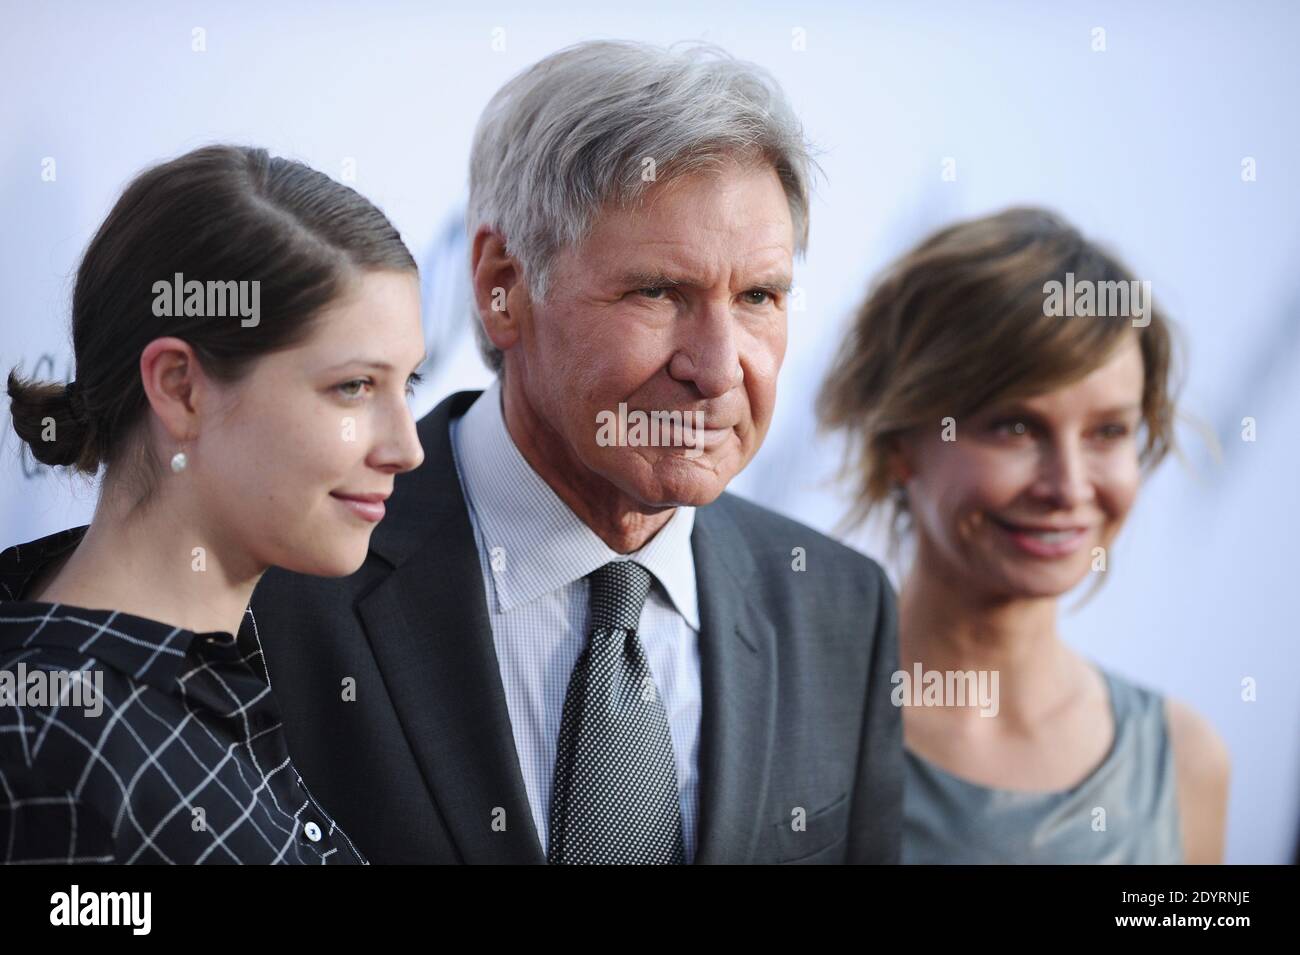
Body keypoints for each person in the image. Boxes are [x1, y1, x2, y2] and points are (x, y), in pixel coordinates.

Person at [242, 40, 902, 864]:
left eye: (760, 296)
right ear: (502, 287)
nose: (719, 367)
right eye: (658, 292)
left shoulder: (843, 610)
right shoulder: (279, 591)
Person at [1, 144, 426, 864]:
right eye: (354, 386)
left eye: (407, 385)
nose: (406, 448)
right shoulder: (55, 750)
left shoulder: (204, 668)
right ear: (180, 388)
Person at [817, 207, 1230, 863]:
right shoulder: (791, 729)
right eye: (1015, 427)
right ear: (900, 442)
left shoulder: (1183, 758)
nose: (1068, 486)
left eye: (1109, 431)